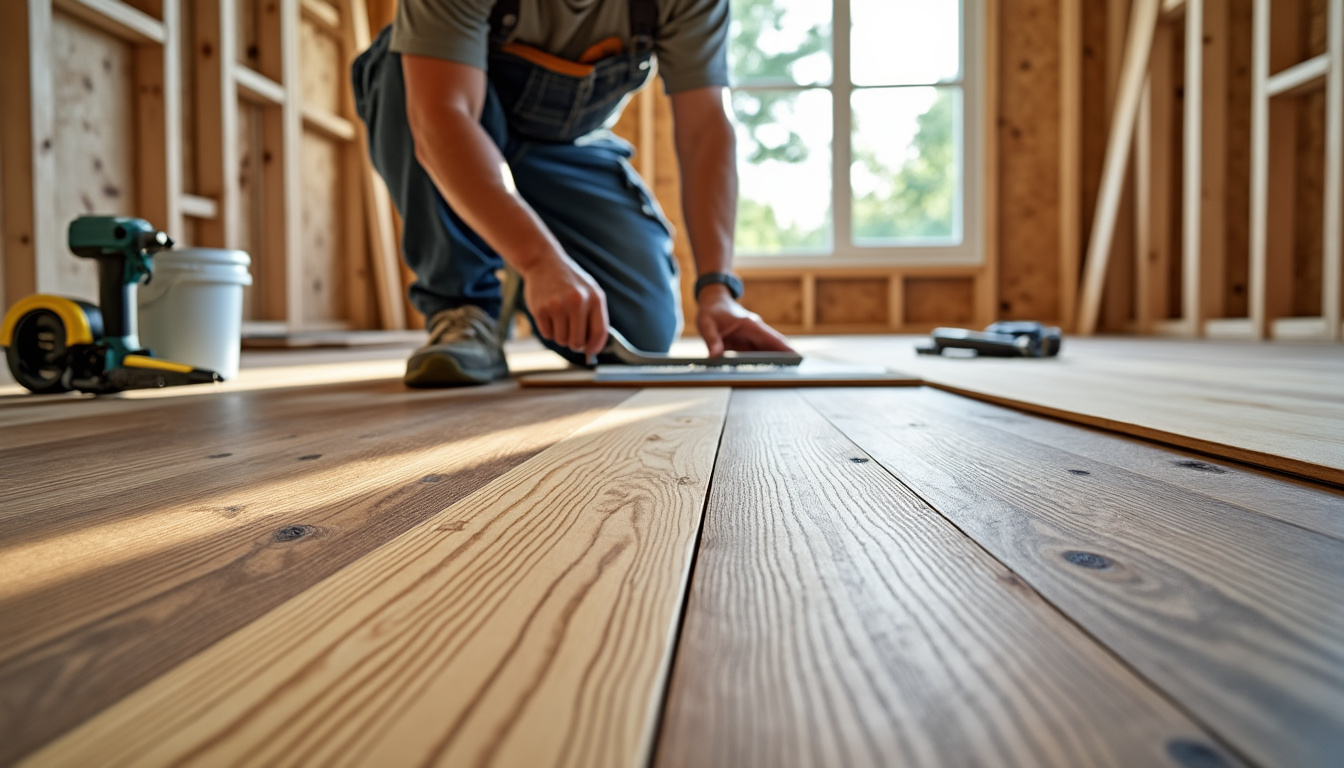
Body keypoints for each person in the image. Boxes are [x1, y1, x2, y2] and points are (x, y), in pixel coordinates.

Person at [352, 0, 794, 386]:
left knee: (640, 332)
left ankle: (517, 256)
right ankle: (465, 307)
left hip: (565, 151)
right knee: (401, 65)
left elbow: (704, 132)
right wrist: (538, 260)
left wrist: (717, 289)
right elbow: (442, 117)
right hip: (464, 126)